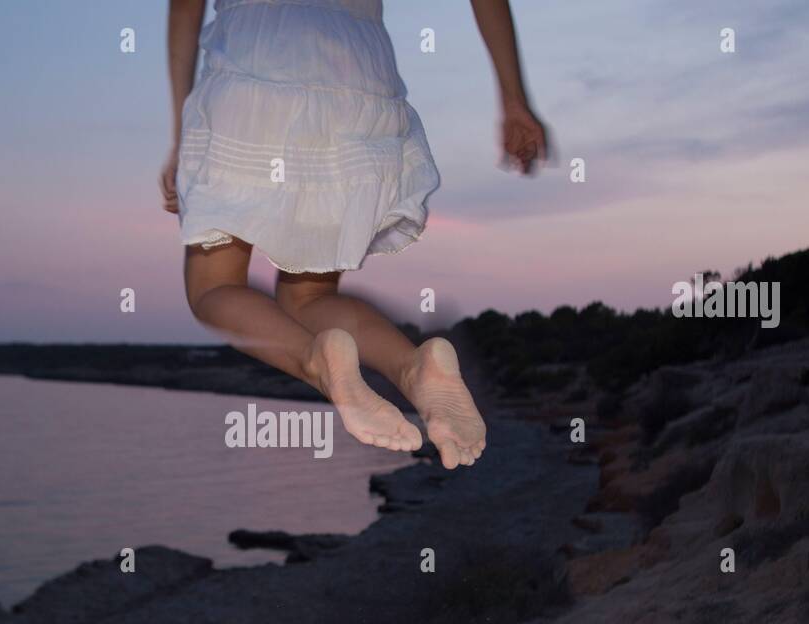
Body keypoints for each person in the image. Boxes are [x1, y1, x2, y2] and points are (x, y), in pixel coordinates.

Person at [161, 0, 546, 468]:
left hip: (254, 72)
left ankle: (317, 361)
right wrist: (513, 99)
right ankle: (414, 368)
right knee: (309, 301)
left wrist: (182, 135)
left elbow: (185, 8)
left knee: (215, 288)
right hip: (354, 85)